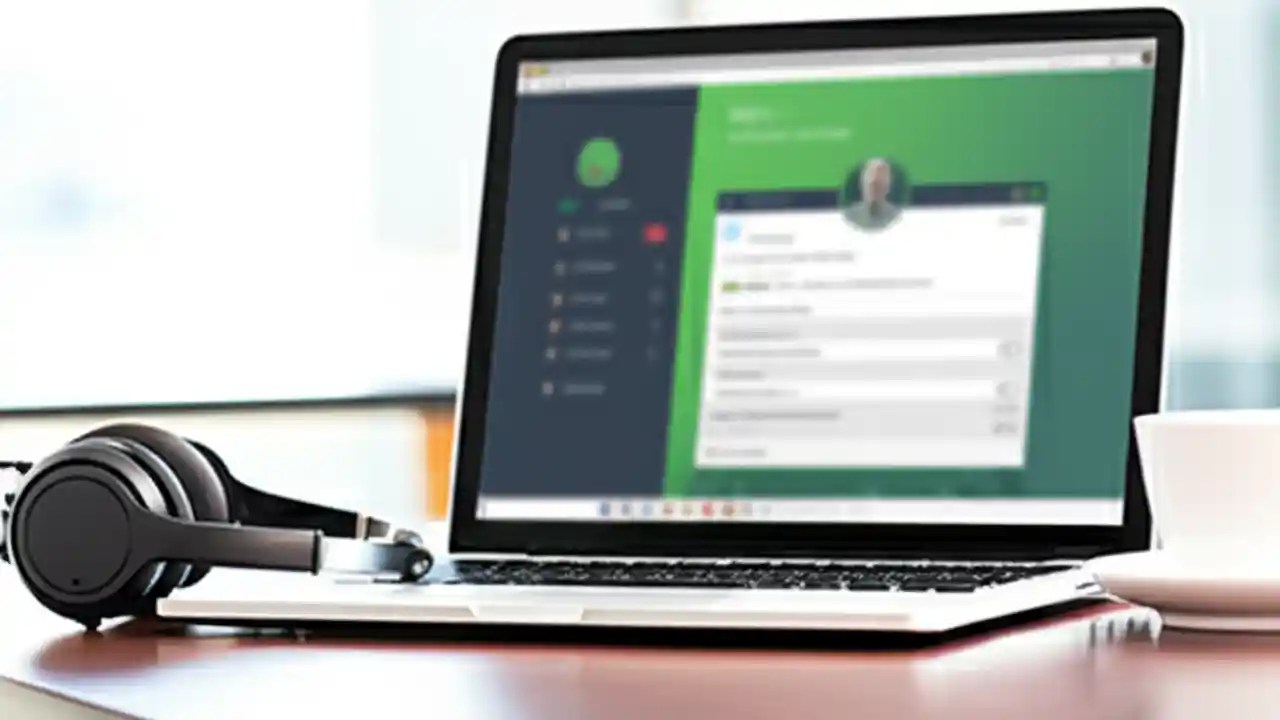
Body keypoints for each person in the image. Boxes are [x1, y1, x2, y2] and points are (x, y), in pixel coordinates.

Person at [843, 158, 902, 231]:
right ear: (862, 184)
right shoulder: (850, 215)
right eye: (871, 185)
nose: (873, 192)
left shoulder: (897, 217)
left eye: (878, 185)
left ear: (888, 186)